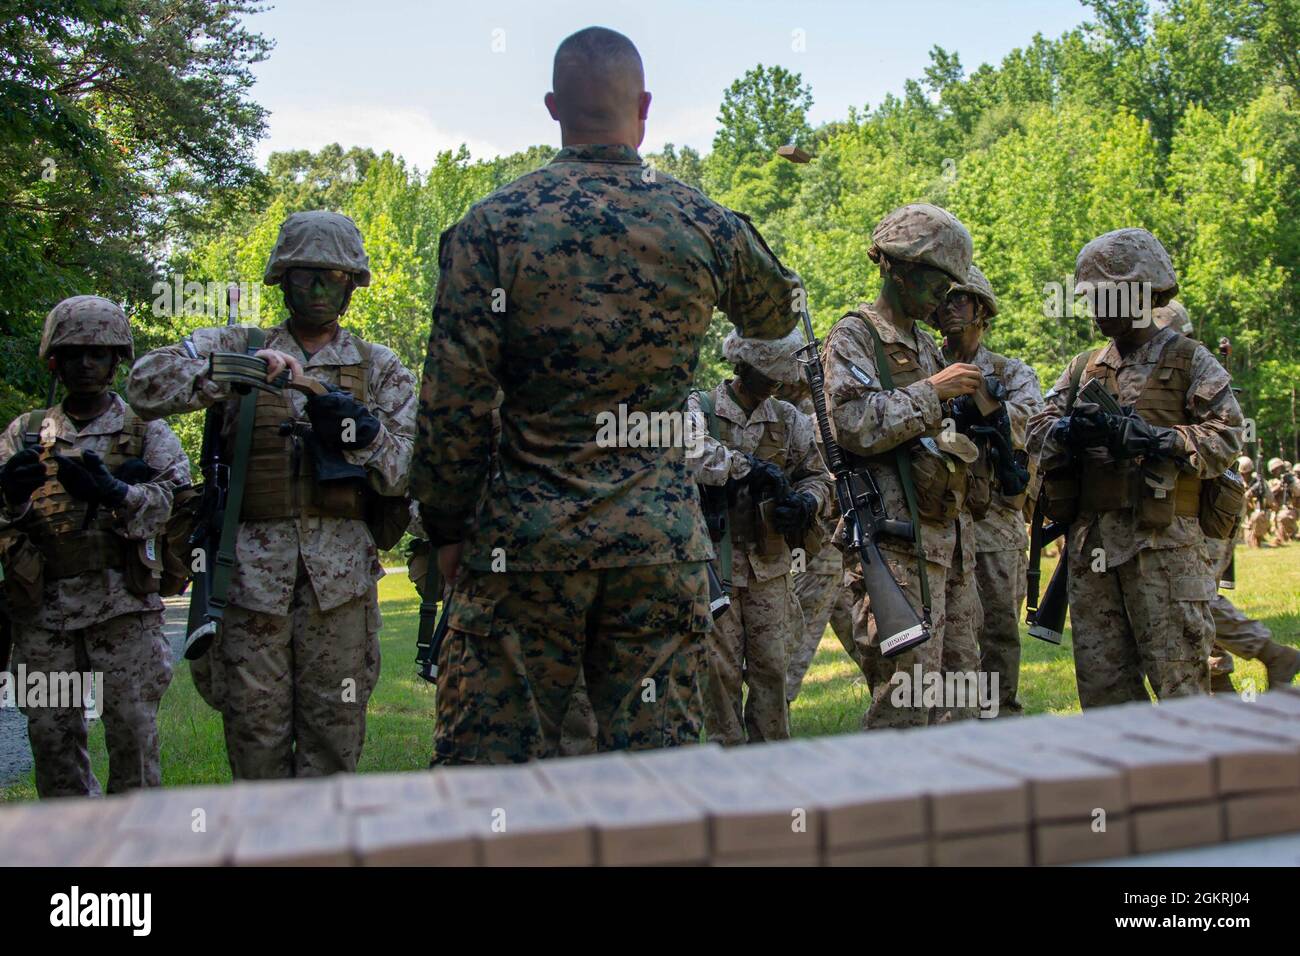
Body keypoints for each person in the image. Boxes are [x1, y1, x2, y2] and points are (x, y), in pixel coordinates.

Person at [411, 27, 801, 764]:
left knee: (490, 778)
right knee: (657, 773)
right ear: (644, 107)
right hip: (657, 548)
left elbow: (451, 402)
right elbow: (777, 312)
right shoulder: (701, 220)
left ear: (554, 107)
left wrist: (447, 526)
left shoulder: (493, 225)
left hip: (524, 547)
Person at [127, 210, 416, 779]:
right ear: (281, 279)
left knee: (334, 746)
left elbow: (409, 470)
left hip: (342, 585)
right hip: (248, 580)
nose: (316, 288)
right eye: (303, 274)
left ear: (351, 286)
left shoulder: (378, 366)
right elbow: (143, 383)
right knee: (255, 746)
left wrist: (360, 432)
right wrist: (231, 372)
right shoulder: (240, 343)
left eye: (331, 277)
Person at [1026, 228, 1244, 708]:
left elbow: (1227, 438)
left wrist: (1158, 439)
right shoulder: (1084, 368)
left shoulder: (1188, 360)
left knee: (1181, 689)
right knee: (1106, 697)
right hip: (1093, 552)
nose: (1094, 309)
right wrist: (1066, 434)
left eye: (1103, 297)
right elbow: (1035, 430)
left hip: (1163, 547)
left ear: (1139, 292)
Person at [0, 296, 188, 797]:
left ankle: (137, 854)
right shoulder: (24, 433)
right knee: (52, 740)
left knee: (133, 739)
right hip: (45, 614)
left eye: (98, 353)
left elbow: (181, 508)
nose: (86, 363)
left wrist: (118, 494)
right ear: (54, 360)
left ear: (115, 361)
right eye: (75, 352)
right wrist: (12, 499)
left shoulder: (146, 429)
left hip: (123, 611)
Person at [821, 202, 986, 728]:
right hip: (894, 548)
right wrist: (931, 393)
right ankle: (890, 810)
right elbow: (852, 423)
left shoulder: (924, 344)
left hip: (946, 543)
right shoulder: (855, 336)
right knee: (905, 702)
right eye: (940, 281)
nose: (947, 295)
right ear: (902, 266)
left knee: (960, 699)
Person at [687, 330, 833, 744]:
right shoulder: (701, 407)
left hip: (770, 569)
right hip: (716, 569)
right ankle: (729, 766)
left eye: (779, 377)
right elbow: (689, 452)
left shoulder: (788, 419)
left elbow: (819, 476)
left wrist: (807, 502)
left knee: (773, 669)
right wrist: (745, 466)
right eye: (767, 373)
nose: (774, 384)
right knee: (720, 675)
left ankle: (772, 761)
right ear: (742, 364)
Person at [936, 264, 1043, 715]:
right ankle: (948, 718)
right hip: (936, 511)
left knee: (998, 624)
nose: (947, 309)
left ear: (981, 310)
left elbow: (1034, 426)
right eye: (942, 300)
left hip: (994, 515)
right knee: (942, 626)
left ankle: (999, 715)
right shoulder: (923, 365)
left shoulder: (1009, 371)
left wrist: (986, 403)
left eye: (958, 300)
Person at [1240, 456, 1272, 548]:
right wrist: (1247, 494)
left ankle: (1260, 536)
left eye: (1246, 473)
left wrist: (1262, 493)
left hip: (1261, 517)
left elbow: (1271, 502)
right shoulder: (1237, 483)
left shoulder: (1261, 483)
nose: (1244, 476)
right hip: (1245, 520)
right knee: (1249, 541)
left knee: (1257, 517)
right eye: (1242, 473)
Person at [1268, 457, 1297, 544]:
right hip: (1275, 512)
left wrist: (1291, 484)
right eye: (1275, 469)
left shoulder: (1292, 480)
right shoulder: (1272, 482)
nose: (1278, 471)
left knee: (1284, 516)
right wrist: (1279, 486)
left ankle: (1292, 533)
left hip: (1290, 509)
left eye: (1279, 468)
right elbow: (1269, 494)